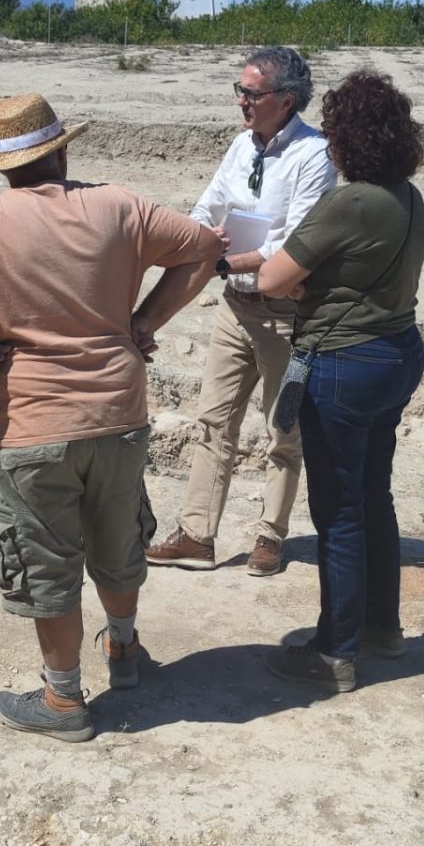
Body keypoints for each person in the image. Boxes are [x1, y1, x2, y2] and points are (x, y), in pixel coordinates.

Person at [0, 93, 222, 742]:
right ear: (62, 149)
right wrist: (144, 321)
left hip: (30, 419)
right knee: (119, 538)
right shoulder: (119, 205)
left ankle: (64, 700)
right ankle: (123, 648)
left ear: (3, 167)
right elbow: (204, 249)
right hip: (117, 413)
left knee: (48, 559)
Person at [255, 70, 424, 693]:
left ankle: (335, 653)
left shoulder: (350, 201)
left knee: (340, 515)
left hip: (344, 363)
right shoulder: (407, 196)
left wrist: (301, 282)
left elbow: (273, 279)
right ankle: (383, 628)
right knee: (373, 498)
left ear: (348, 138)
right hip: (396, 352)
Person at [146, 47, 335, 578]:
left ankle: (270, 537)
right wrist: (177, 242)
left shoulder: (315, 156)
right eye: (240, 91)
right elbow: (207, 210)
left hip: (284, 314)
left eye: (251, 94)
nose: (241, 102)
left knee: (283, 430)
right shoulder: (238, 146)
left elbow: (296, 243)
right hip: (236, 308)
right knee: (213, 420)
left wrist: (222, 261)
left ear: (286, 100)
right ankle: (197, 535)